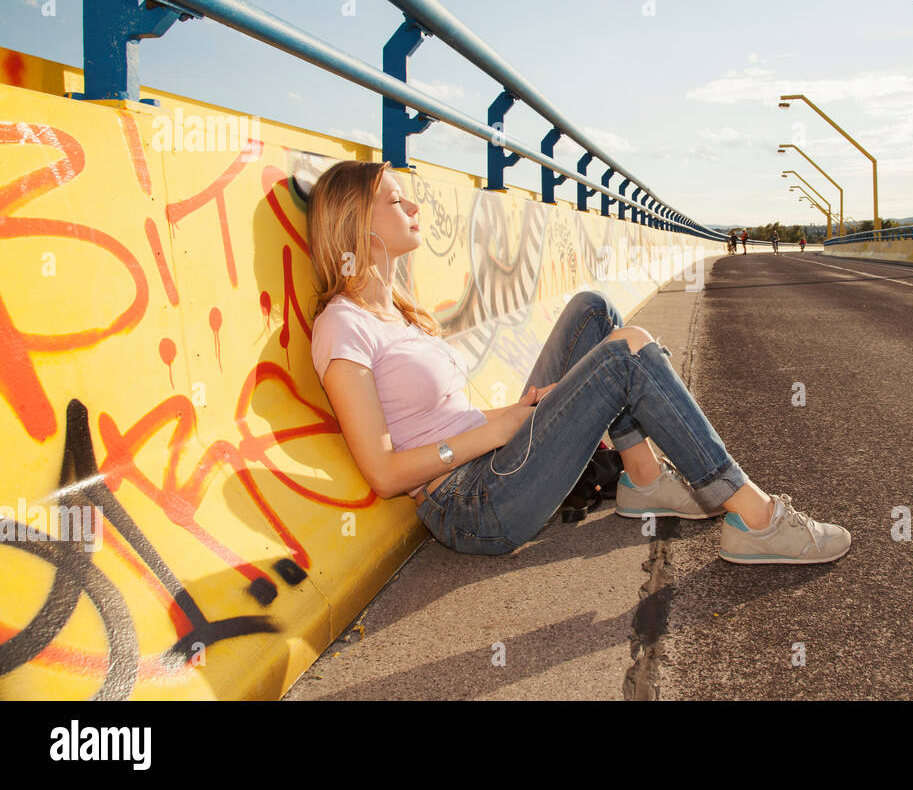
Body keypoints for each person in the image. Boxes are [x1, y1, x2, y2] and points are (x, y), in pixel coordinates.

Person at [306, 160, 850, 564]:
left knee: (593, 312)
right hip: (470, 504)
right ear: (358, 222)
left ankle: (642, 481)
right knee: (626, 353)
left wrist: (508, 415)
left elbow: (443, 416)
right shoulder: (342, 326)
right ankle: (756, 518)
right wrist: (499, 432)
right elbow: (382, 474)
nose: (414, 207)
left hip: (492, 457)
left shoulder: (402, 315)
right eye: (396, 201)